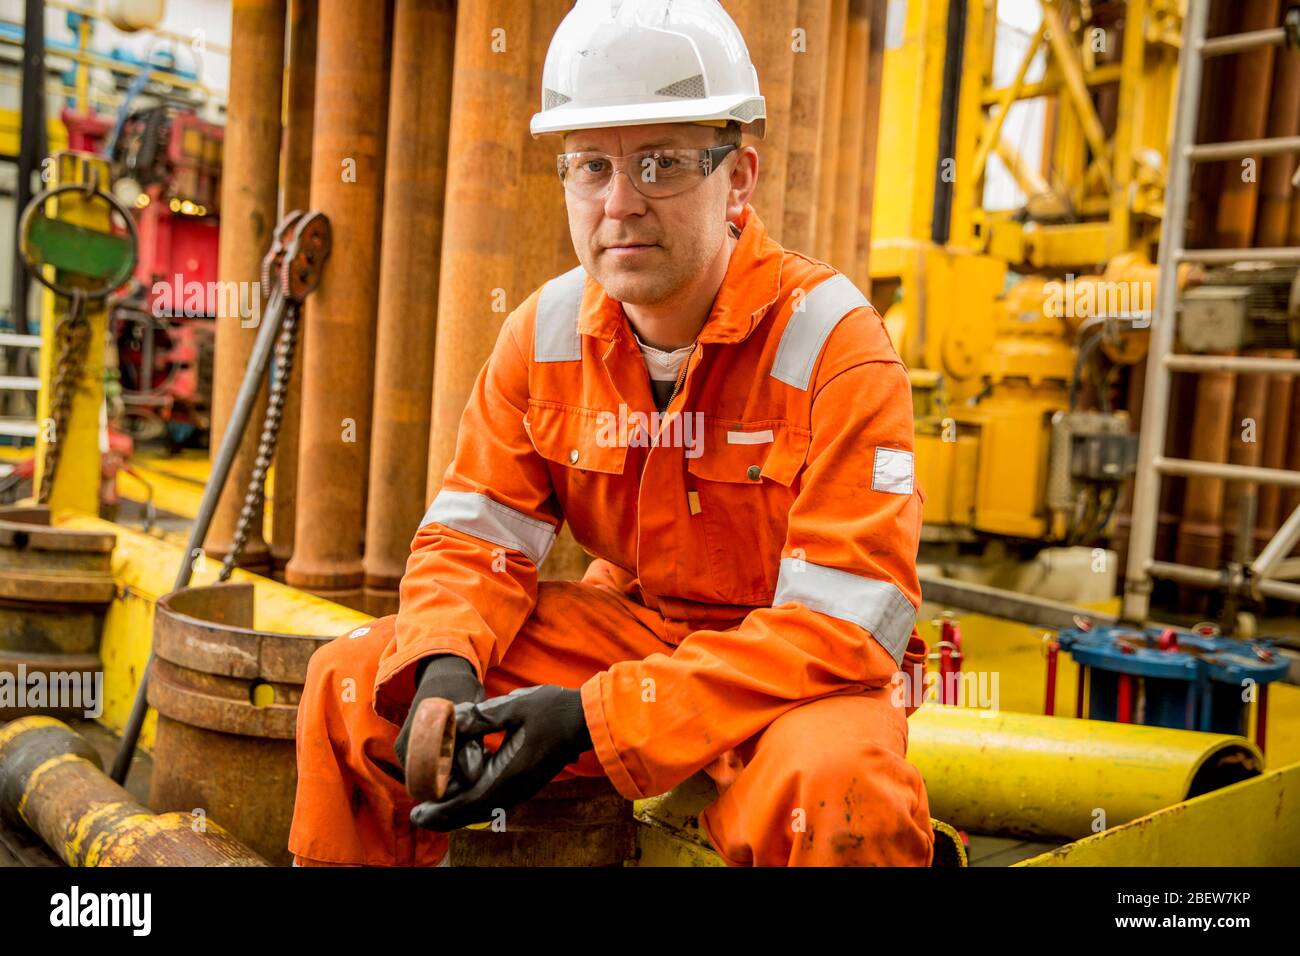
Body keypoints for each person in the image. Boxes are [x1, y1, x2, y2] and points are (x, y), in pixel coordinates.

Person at [289, 0, 933, 867]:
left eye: (661, 164)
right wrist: (444, 660)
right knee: (354, 684)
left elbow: (845, 631)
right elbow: (473, 540)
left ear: (739, 177)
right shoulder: (546, 333)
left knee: (840, 784)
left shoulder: (835, 346)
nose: (618, 205)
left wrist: (597, 718)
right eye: (591, 166)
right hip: (637, 636)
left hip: (791, 676)